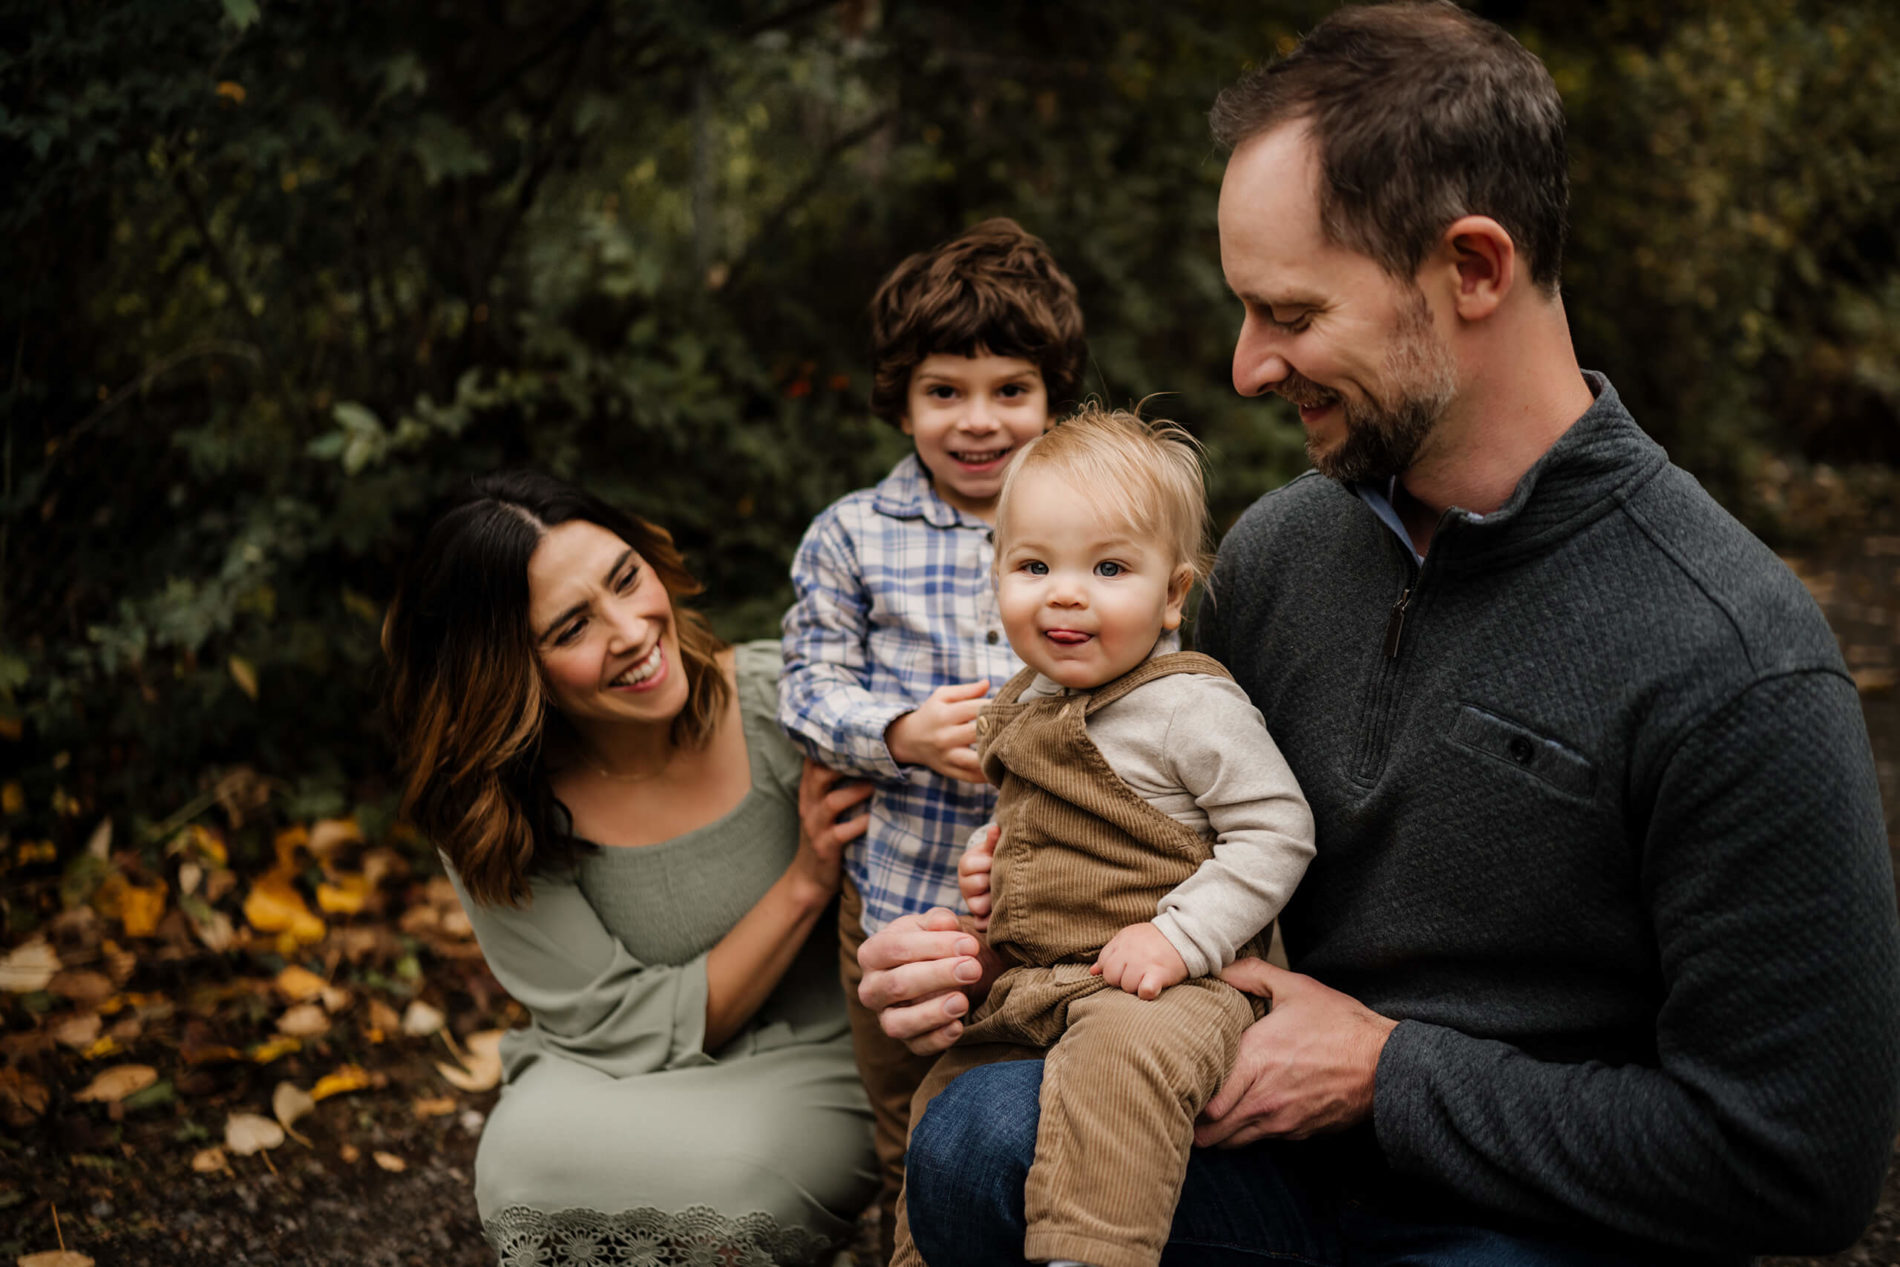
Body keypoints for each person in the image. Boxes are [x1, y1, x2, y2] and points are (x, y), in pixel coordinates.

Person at [856, 4, 1900, 1265]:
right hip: (1257, 1154)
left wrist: (1386, 1074)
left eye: (1288, 314)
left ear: (1470, 268)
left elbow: (1797, 1163)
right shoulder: (1281, 552)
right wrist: (981, 947)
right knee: (976, 1138)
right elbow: (1148, 848)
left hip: (1522, 1218)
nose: (1247, 367)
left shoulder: (1731, 656)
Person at [383, 470, 877, 1267]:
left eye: (624, 578)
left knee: (723, 1201)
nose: (632, 629)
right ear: (512, 671)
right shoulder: (496, 809)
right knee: (524, 1176)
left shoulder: (792, 706)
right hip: (607, 1067)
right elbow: (613, 1022)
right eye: (573, 626)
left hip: (817, 1056)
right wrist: (805, 881)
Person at [885, 405, 1315, 1267]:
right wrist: (995, 863)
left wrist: (1178, 935)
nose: (1066, 591)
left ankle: (1094, 1251)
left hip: (1181, 987)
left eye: (1110, 566)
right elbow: (1041, 823)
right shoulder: (1026, 700)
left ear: (1172, 595)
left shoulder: (1191, 705)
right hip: (1045, 978)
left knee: (1121, 1063)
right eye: (1034, 564)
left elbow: (1278, 829)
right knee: (946, 1087)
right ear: (998, 573)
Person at [777, 217, 1088, 1259]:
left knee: (1046, 1114)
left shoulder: (1090, 529)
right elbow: (809, 687)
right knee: (909, 1121)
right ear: (901, 400)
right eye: (944, 391)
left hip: (1057, 898)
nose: (978, 421)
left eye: (1010, 390)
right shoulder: (854, 534)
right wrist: (900, 732)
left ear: (1051, 398)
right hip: (902, 895)